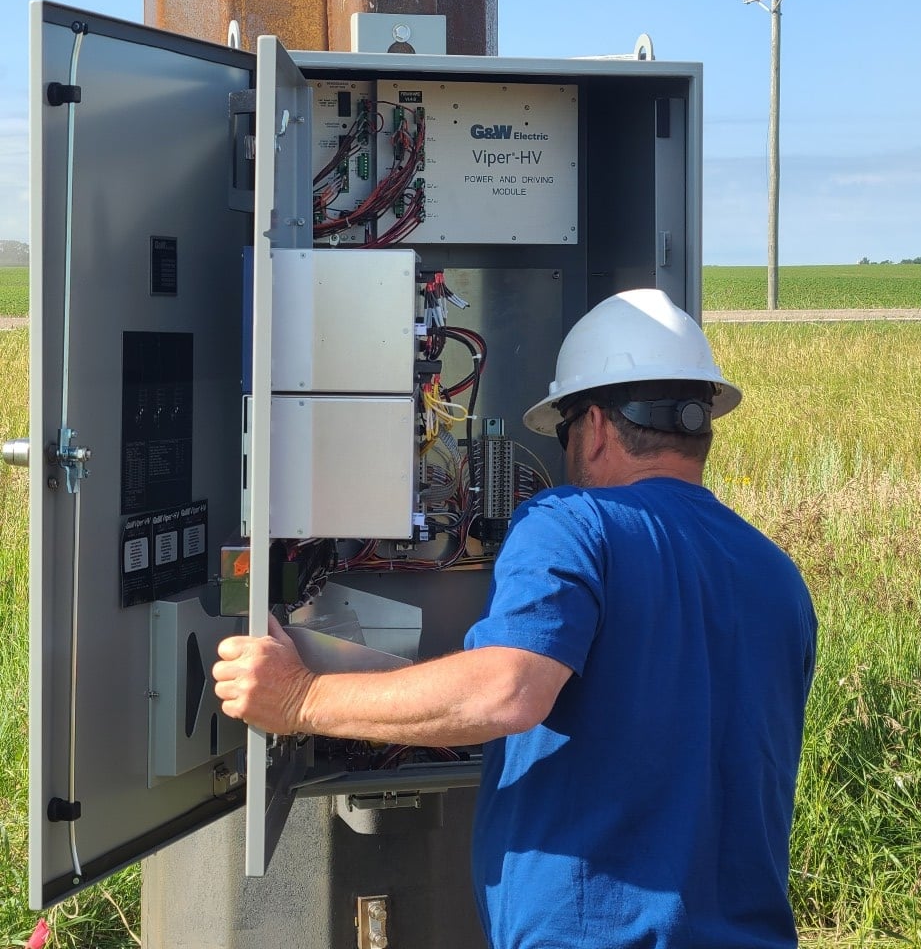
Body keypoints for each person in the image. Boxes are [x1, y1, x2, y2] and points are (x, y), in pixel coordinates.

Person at [214, 288, 817, 949]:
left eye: (561, 435)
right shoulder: (775, 574)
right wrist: (318, 662)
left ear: (594, 428)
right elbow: (619, 707)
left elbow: (508, 692)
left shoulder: (574, 523)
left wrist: (299, 698)